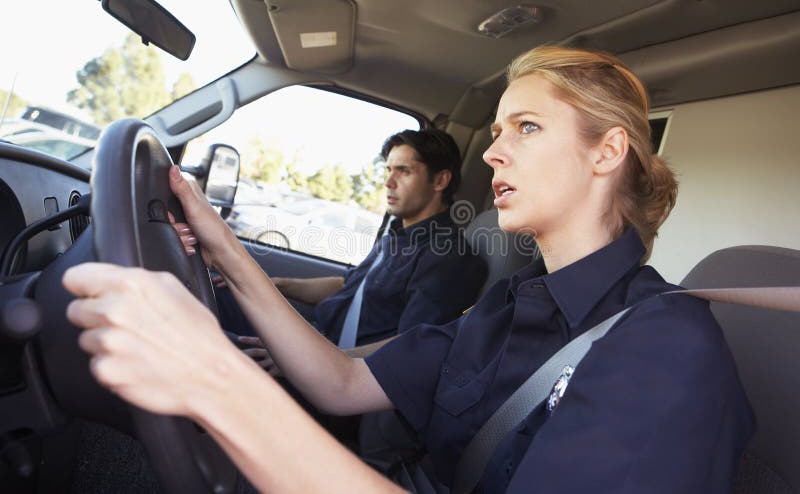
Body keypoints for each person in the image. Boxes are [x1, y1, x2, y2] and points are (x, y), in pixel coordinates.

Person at [63, 46, 754, 493]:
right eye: (500, 129)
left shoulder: (665, 345)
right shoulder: (509, 305)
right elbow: (339, 382)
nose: (494, 153)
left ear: (607, 152)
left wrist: (211, 379)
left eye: (528, 128)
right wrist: (221, 247)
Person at [218, 128, 487, 358]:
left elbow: (410, 348)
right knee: (223, 296)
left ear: (440, 180)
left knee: (208, 342)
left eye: (404, 172)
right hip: (318, 342)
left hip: (335, 375)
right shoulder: (397, 235)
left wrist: (308, 363)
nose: (388, 182)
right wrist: (276, 284)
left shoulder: (448, 258)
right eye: (388, 170)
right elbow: (350, 285)